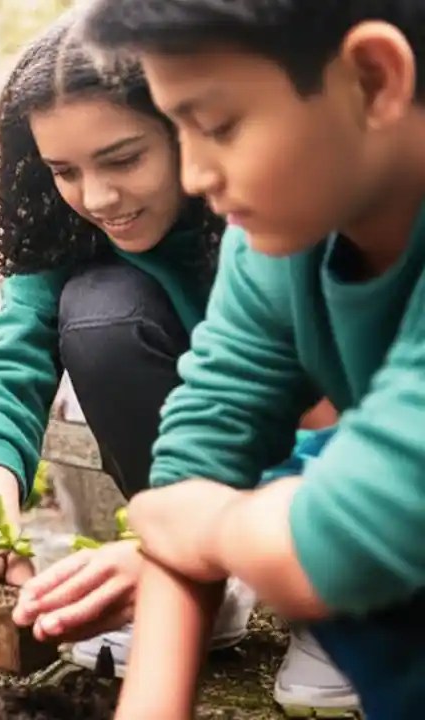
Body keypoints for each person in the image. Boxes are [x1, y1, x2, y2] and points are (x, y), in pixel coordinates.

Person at [0, 15, 355, 716]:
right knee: (100, 314)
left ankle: (328, 599)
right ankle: (202, 585)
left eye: (124, 158)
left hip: (344, 475)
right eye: (64, 171)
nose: (97, 198)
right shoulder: (70, 227)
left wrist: (211, 542)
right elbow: (4, 366)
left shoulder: (279, 218)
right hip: (226, 480)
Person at [80, 1, 425, 717]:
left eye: (217, 126)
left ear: (371, 79)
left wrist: (213, 527)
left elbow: (341, 537)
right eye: (176, 128)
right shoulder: (284, 232)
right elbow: (202, 449)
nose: (196, 172)